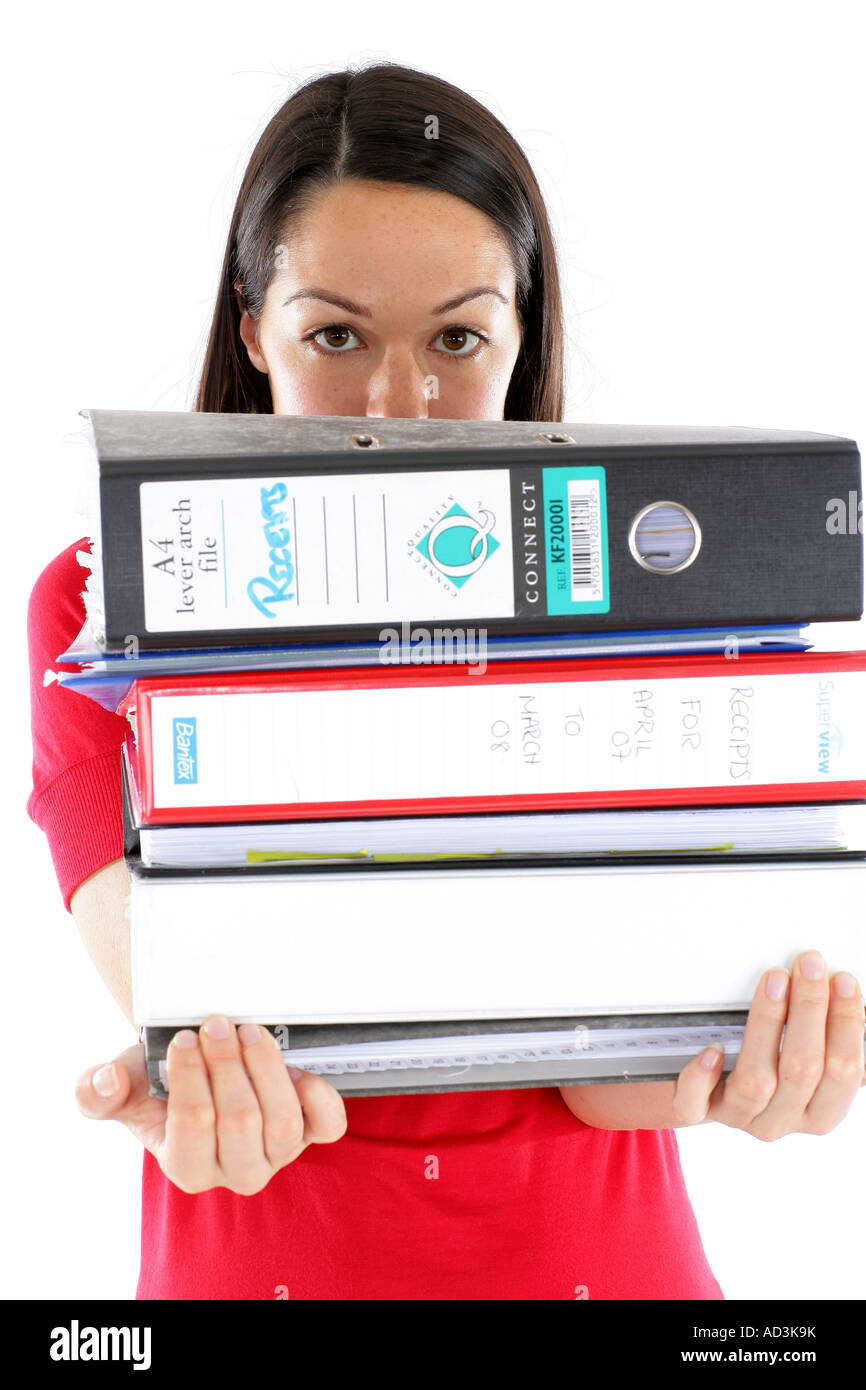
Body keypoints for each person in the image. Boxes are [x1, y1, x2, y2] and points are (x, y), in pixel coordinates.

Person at [27, 61, 865, 1302]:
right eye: (335, 334)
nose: (398, 404)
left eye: (458, 337)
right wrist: (204, 1085)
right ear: (253, 326)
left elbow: (600, 1075)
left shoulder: (651, 593)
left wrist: (738, 1062)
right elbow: (206, 1017)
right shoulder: (96, 602)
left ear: (520, 341)